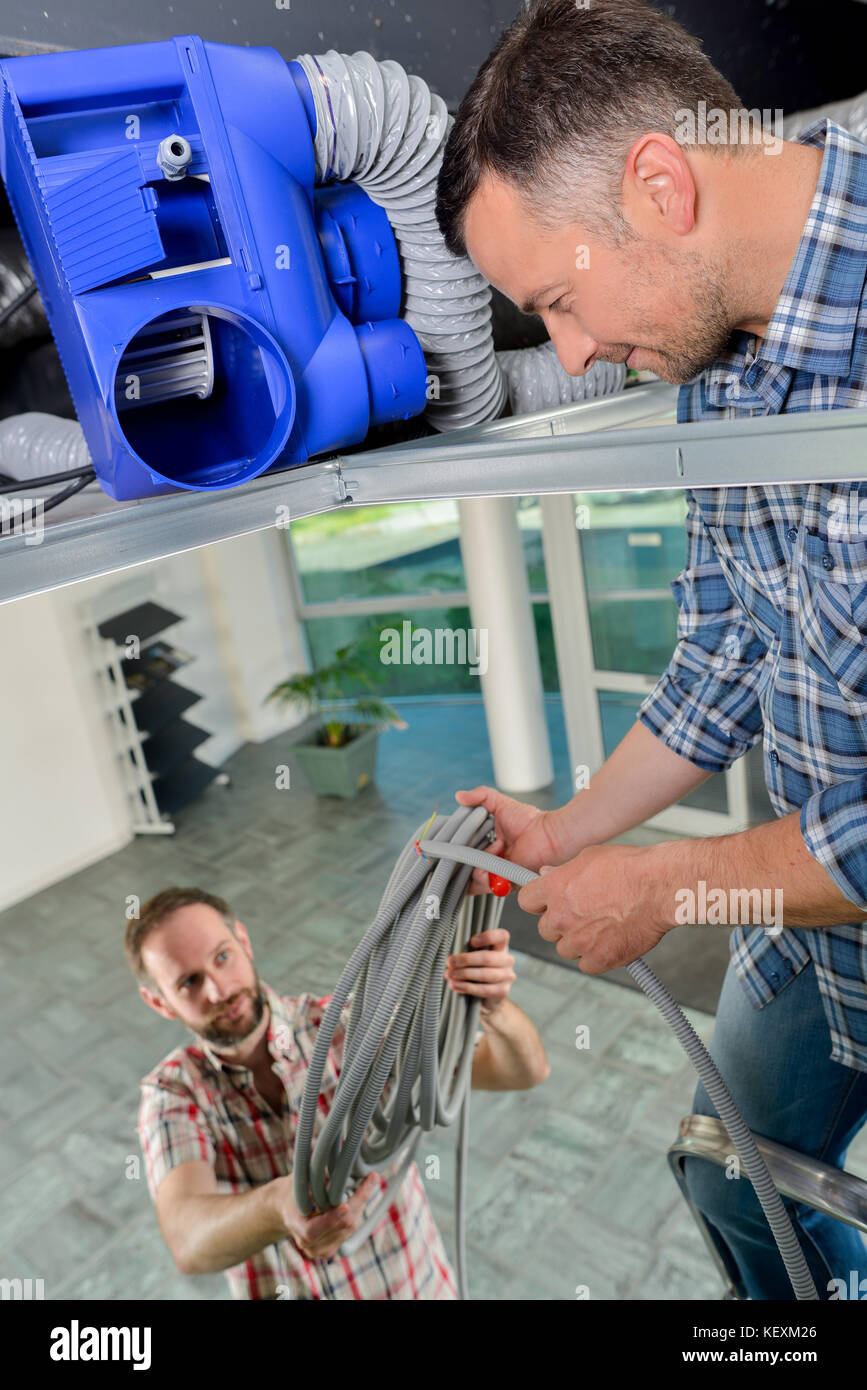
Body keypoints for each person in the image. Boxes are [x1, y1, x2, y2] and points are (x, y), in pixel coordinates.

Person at [436, 0, 867, 1300]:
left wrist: (674, 887)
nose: (566, 353)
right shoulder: (721, 358)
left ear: (660, 185)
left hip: (776, 886)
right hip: (811, 931)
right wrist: (568, 835)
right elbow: (724, 651)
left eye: (556, 301)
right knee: (729, 1175)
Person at [126, 886, 549, 1299]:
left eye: (222, 957)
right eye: (189, 983)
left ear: (244, 942)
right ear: (159, 1002)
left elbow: (522, 1072)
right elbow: (186, 1241)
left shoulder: (353, 1026)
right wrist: (277, 1206)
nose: (219, 990)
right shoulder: (174, 1093)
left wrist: (496, 1010)